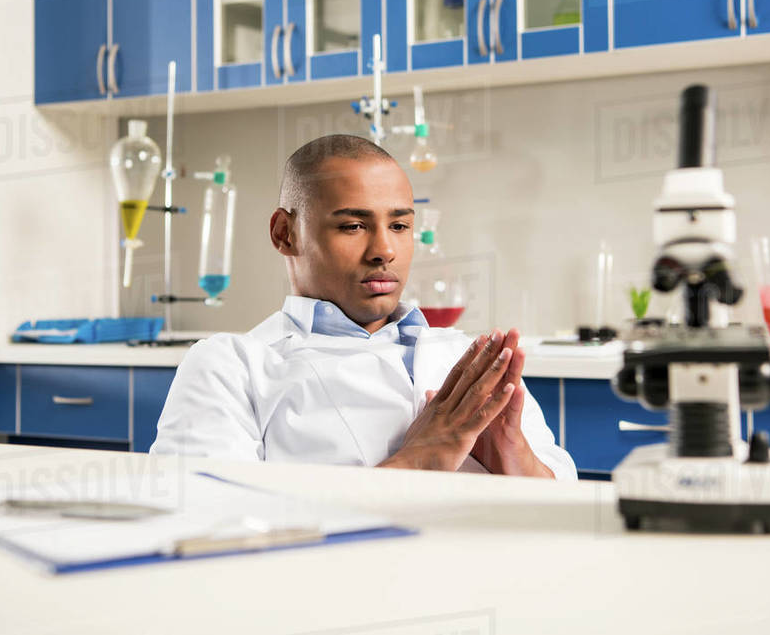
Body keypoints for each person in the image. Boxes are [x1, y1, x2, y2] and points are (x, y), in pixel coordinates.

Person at [151, 134, 576, 478]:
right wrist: (419, 460)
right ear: (285, 233)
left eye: (400, 225)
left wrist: (513, 455)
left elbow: (562, 510)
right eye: (353, 226)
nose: (384, 250)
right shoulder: (231, 366)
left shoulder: (467, 360)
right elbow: (208, 526)